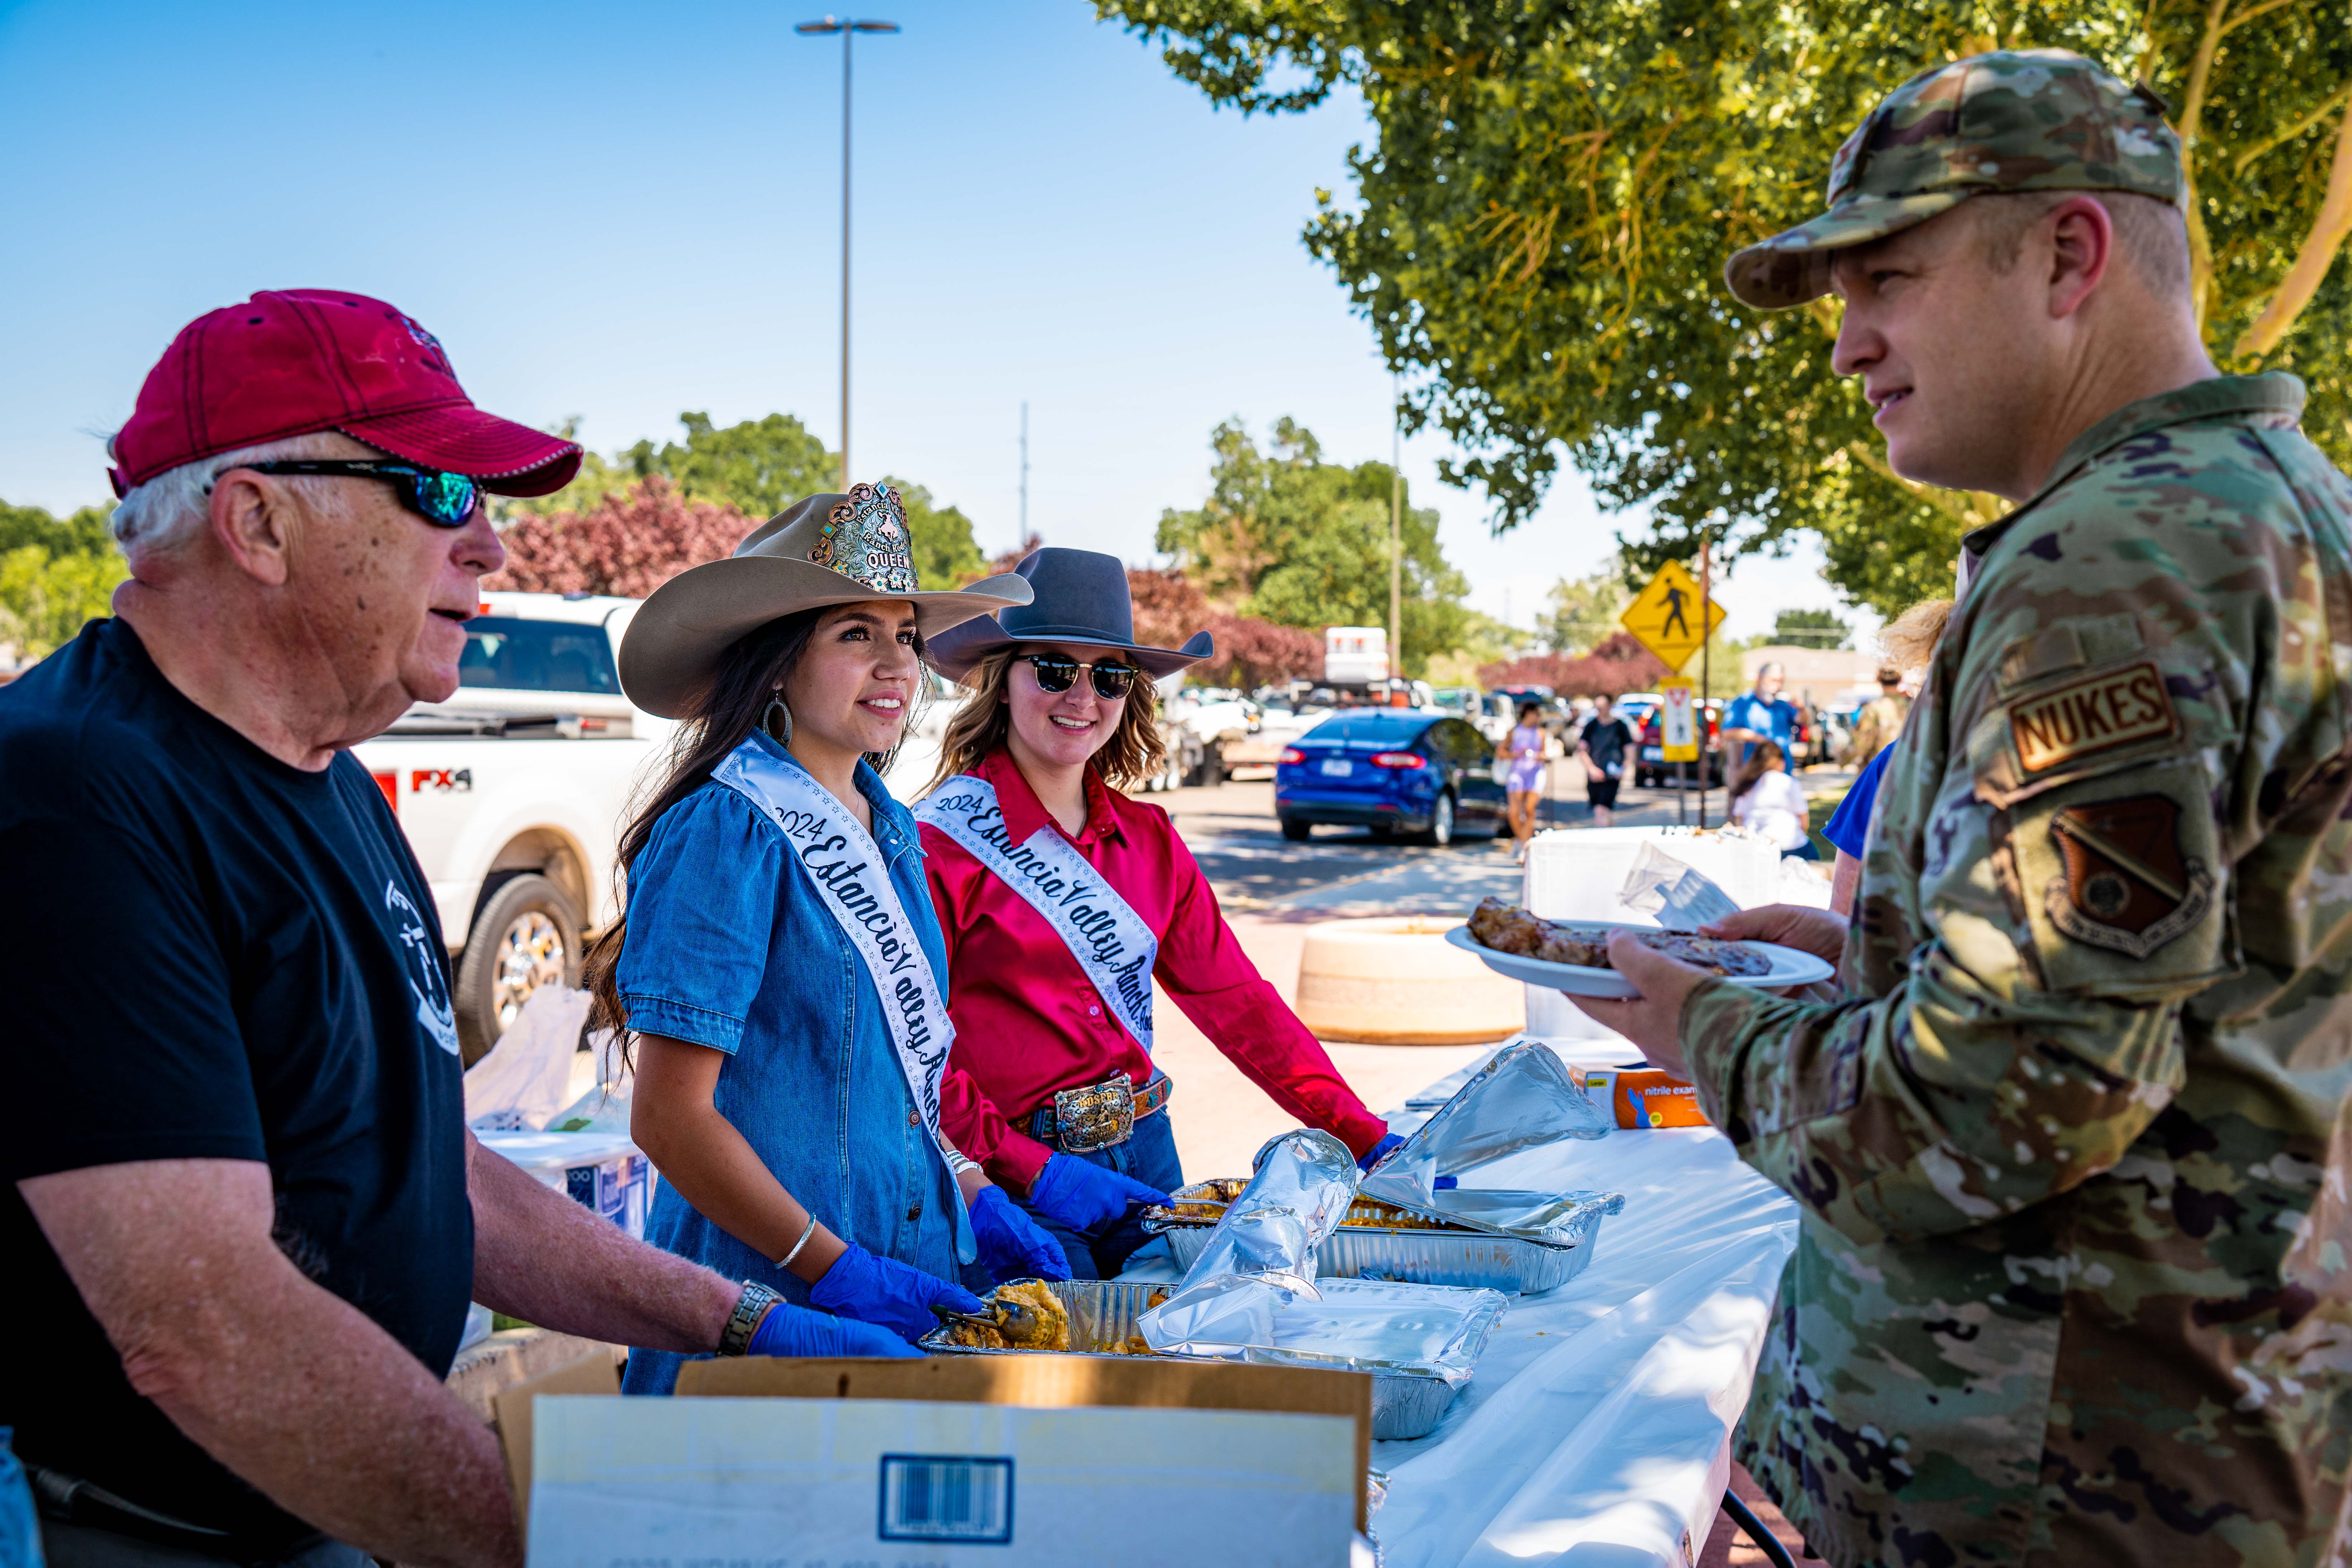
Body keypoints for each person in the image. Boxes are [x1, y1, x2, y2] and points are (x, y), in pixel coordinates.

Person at [1576, 51, 2352, 1567]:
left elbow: (1991, 1109)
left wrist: (1696, 1023)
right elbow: (2187, 996)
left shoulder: (2120, 562)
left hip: (2052, 1478)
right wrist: (1864, 954)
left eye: (1888, 276)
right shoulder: (2270, 506)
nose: (1846, 343)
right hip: (2186, 1431)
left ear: (2066, 253)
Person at [0, 292, 912, 1568]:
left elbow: (439, 1169)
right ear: (256, 519)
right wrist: (551, 1535)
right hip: (159, 1534)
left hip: (332, 1510)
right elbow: (202, 1326)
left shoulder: (321, 776)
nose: (490, 543)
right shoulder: (78, 794)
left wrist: (751, 1316)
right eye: (436, 489)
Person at [590, 485, 1068, 1392]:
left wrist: (972, 1189)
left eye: (905, 635)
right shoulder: (726, 829)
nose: (896, 665)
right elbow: (668, 1118)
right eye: (855, 634)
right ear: (774, 664)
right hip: (767, 1309)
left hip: (910, 1283)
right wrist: (831, 1268)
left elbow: (894, 1084)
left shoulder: (887, 824)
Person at [914, 549, 1405, 1279]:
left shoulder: (1150, 840)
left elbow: (1239, 1006)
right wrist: (1023, 1171)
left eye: (1109, 675)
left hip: (1148, 1154)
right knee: (1062, 1385)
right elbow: (915, 1052)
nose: (1082, 696)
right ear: (1003, 680)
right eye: (1053, 669)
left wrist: (1359, 1133)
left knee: (1161, 1373)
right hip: (1013, 1177)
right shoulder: (935, 842)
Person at [1724, 740, 1813, 858]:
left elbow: (1739, 820)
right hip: (1790, 846)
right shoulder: (1789, 783)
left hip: (1756, 847)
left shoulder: (1747, 785)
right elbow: (1804, 821)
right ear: (1779, 761)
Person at [1717, 661, 1798, 769]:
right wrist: (1756, 738)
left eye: (1780, 682)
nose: (1777, 686)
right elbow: (1726, 733)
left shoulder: (1782, 705)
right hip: (1756, 772)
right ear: (1760, 678)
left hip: (1783, 771)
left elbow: (1802, 720)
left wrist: (1802, 708)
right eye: (1773, 680)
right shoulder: (1743, 703)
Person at [1498, 699, 1549, 857]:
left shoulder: (1540, 733)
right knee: (1514, 812)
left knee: (1529, 810)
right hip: (1517, 773)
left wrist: (1540, 756)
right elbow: (1501, 752)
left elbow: (1545, 753)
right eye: (1536, 714)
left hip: (1534, 773)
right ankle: (1522, 841)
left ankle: (1525, 846)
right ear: (1528, 714)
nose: (1538, 718)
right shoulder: (1515, 731)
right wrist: (1515, 755)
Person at [1573, 692, 1633, 829]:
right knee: (1605, 811)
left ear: (1610, 706)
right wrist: (1591, 769)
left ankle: (1601, 842)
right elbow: (1582, 750)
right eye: (1597, 707)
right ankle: (1610, 840)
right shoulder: (1591, 726)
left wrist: (1624, 768)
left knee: (1602, 809)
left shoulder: (1620, 726)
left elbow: (1630, 750)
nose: (1600, 710)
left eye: (1602, 707)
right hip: (1595, 776)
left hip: (1613, 775)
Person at [1843, 668, 1909, 768]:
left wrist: (1842, 760)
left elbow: (1861, 746)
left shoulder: (1872, 710)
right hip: (1908, 772)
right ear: (1901, 679)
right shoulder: (1913, 708)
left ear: (1878, 679)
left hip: (1880, 772)